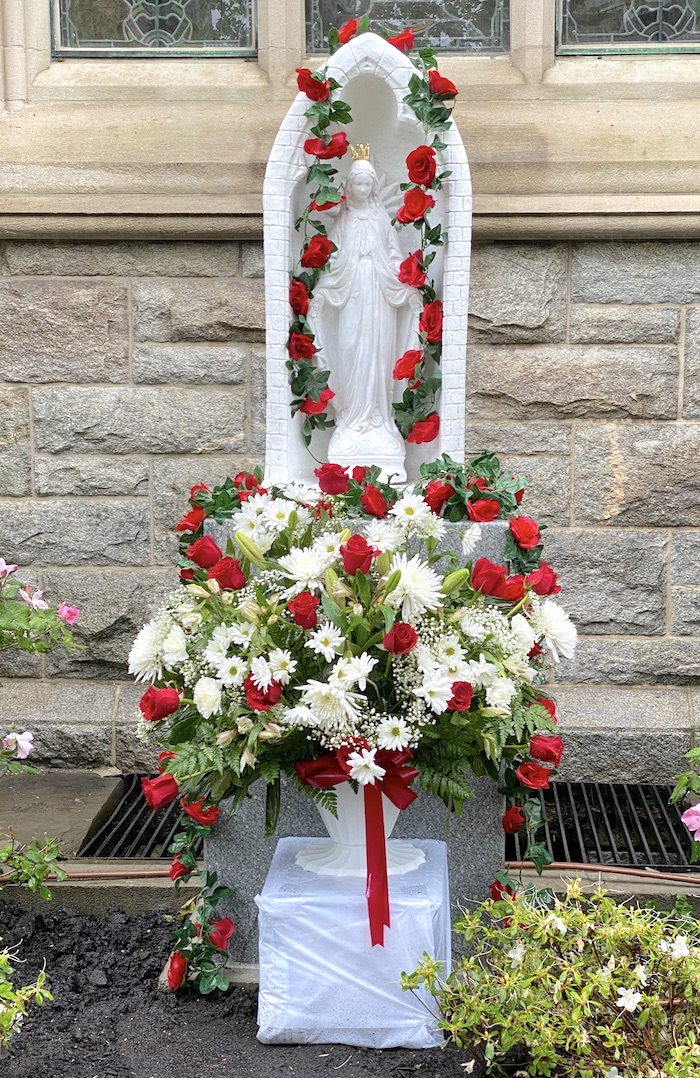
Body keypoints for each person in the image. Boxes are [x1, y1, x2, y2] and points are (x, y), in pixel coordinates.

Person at [309, 156, 422, 482]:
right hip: (351, 298)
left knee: (377, 356)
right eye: (357, 183)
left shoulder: (381, 220)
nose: (362, 188)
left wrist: (407, 290)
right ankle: (351, 419)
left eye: (367, 183)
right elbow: (332, 263)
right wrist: (322, 291)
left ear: (373, 187)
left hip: (379, 299)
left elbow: (393, 257)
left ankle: (376, 419)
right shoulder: (342, 221)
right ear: (350, 187)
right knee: (350, 352)